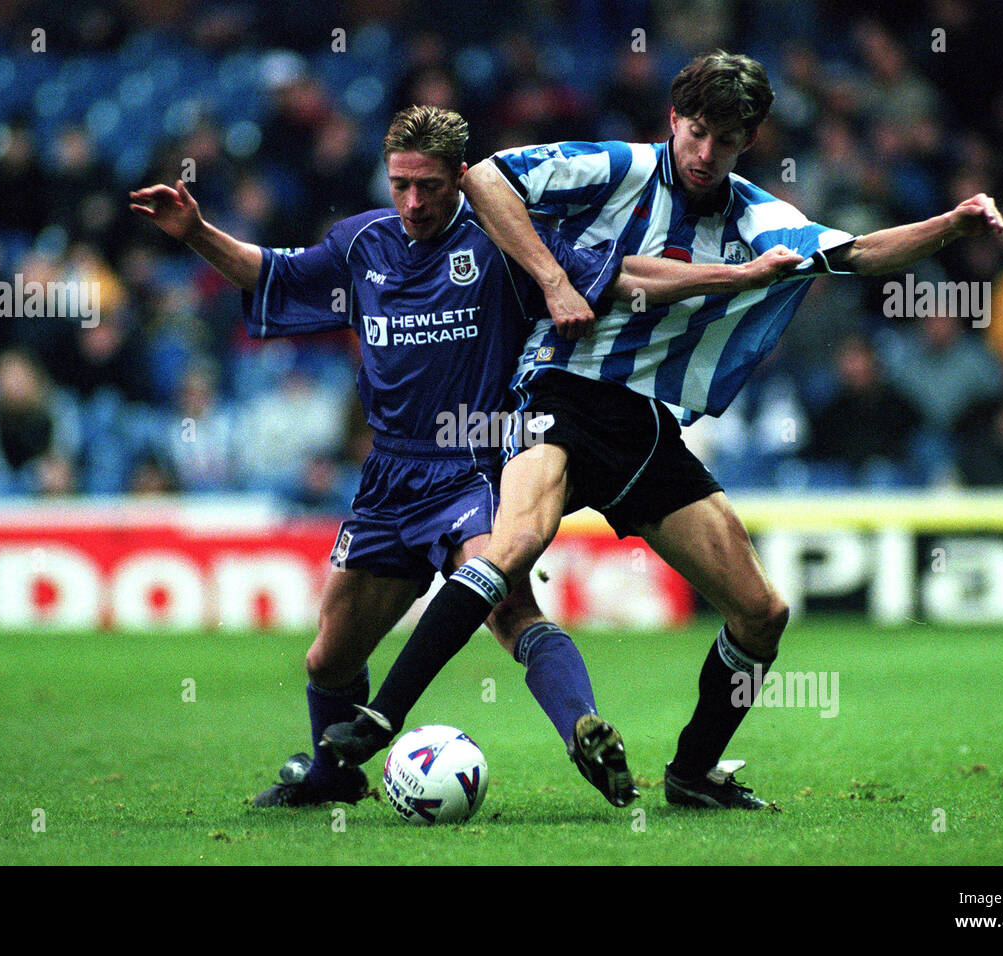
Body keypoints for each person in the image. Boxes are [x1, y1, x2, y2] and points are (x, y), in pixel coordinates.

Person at [324, 51, 1003, 810]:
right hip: (555, 387)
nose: (707, 154)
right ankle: (384, 714)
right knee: (512, 549)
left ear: (749, 141)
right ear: (675, 120)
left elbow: (857, 252)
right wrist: (553, 280)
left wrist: (950, 224)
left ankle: (691, 776)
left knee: (762, 612)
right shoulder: (614, 168)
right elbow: (483, 177)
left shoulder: (755, 217)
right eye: (698, 132)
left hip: (640, 425)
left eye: (728, 139)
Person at [130, 105, 786, 808]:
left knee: (507, 603)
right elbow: (272, 274)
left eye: (431, 186)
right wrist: (197, 232)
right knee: (329, 657)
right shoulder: (361, 245)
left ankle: (583, 730)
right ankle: (330, 780)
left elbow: (624, 276)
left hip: (475, 461)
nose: (414, 201)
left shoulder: (506, 245)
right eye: (401, 183)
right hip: (388, 474)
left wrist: (736, 278)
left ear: (462, 180)